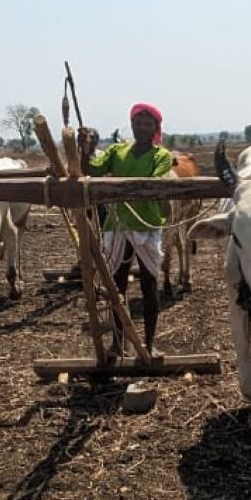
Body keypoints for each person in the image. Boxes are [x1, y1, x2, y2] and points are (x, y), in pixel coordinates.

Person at [82, 102, 173, 358]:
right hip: (117, 225)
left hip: (146, 225)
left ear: (155, 128)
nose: (142, 128)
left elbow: (155, 181)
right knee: (117, 285)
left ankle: (150, 343)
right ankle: (117, 342)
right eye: (138, 123)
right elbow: (92, 170)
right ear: (131, 125)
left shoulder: (161, 156)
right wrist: (85, 149)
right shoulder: (115, 152)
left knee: (149, 283)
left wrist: (123, 187)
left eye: (148, 124)